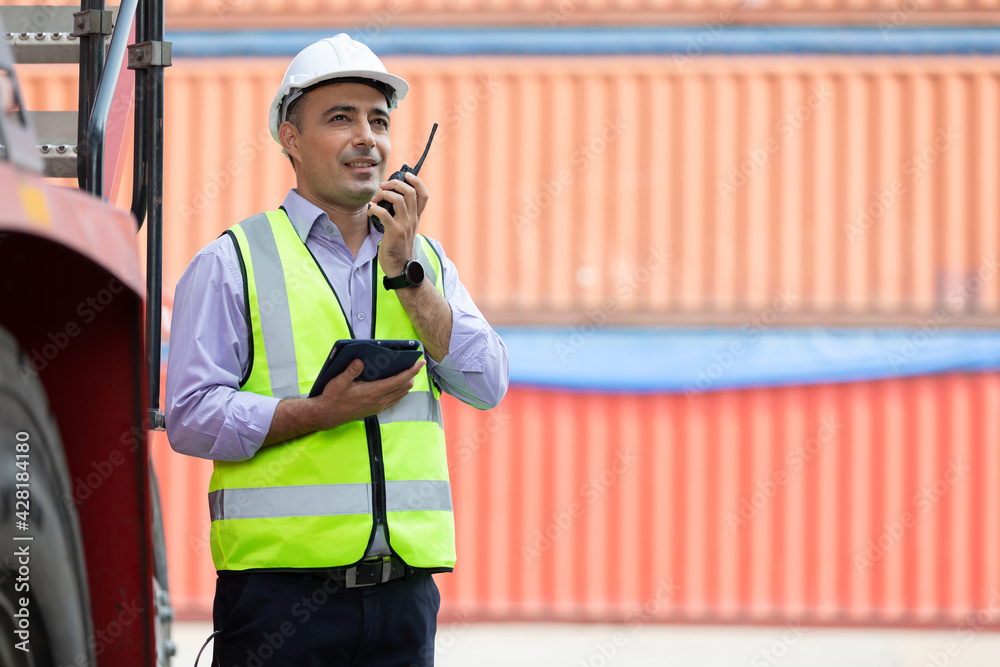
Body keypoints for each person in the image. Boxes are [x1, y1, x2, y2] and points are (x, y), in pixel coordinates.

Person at [165, 33, 508, 666]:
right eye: (340, 118)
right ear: (290, 139)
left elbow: (487, 385)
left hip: (405, 600)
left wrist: (407, 274)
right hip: (277, 603)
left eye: (378, 120)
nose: (367, 137)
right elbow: (188, 417)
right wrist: (317, 413)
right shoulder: (231, 262)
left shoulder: (423, 264)